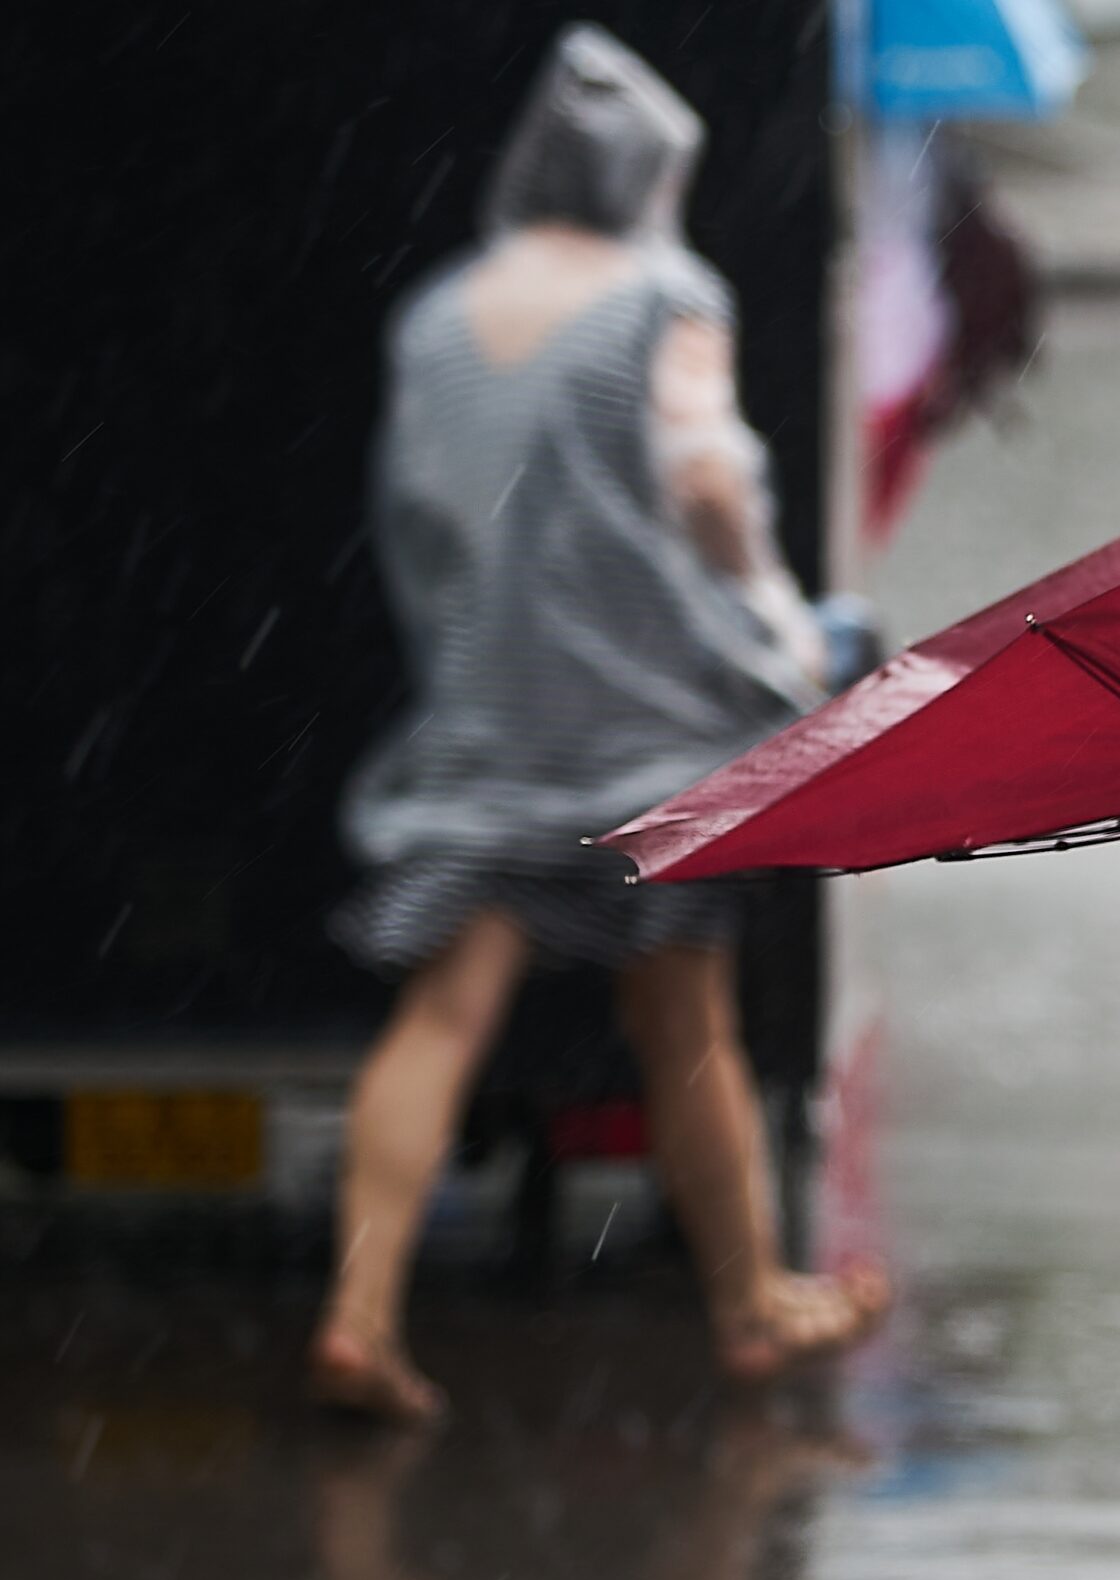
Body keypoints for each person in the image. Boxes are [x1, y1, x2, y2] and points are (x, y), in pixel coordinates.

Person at [313, 26, 886, 1424]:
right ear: (645, 176)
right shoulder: (660, 295)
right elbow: (706, 477)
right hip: (647, 717)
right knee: (686, 1019)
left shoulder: (438, 314)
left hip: (494, 715)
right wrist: (778, 618)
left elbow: (425, 518)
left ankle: (359, 1314)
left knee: (442, 1012)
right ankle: (753, 1300)